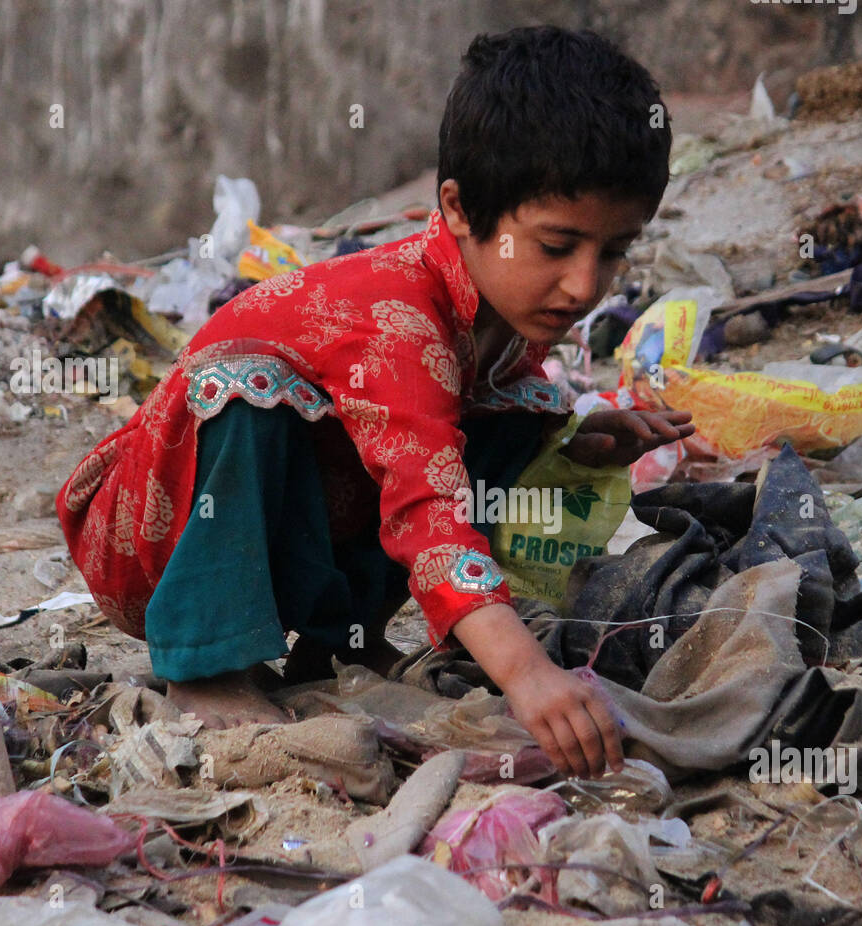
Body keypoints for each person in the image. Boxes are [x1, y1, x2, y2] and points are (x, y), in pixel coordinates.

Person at [57, 25, 693, 779]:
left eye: (612, 252)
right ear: (458, 209)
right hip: (147, 543)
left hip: (297, 509)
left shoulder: (502, 318)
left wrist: (576, 441)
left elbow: (445, 458)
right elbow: (429, 509)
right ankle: (208, 663)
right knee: (248, 389)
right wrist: (528, 676)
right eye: (556, 247)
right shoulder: (400, 320)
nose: (586, 287)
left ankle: (337, 639)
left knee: (513, 414)